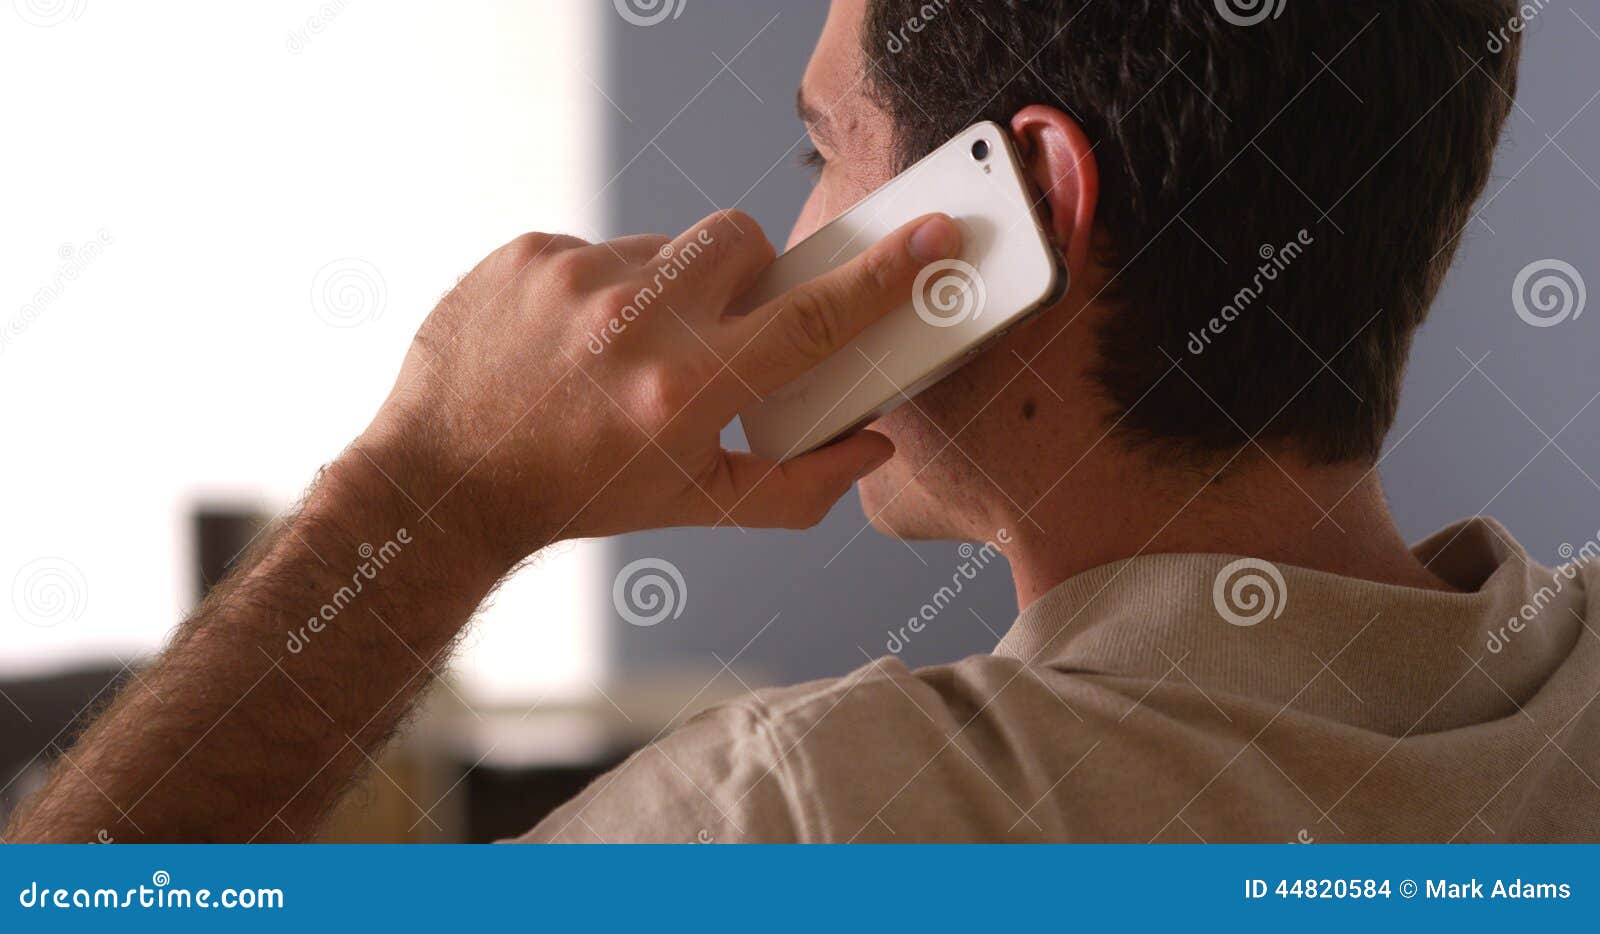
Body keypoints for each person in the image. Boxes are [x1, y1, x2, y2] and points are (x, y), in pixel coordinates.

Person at [11, 0, 1595, 844]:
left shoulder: (803, 821)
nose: (786, 240)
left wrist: (432, 490)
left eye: (824, 150)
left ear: (1021, 211)